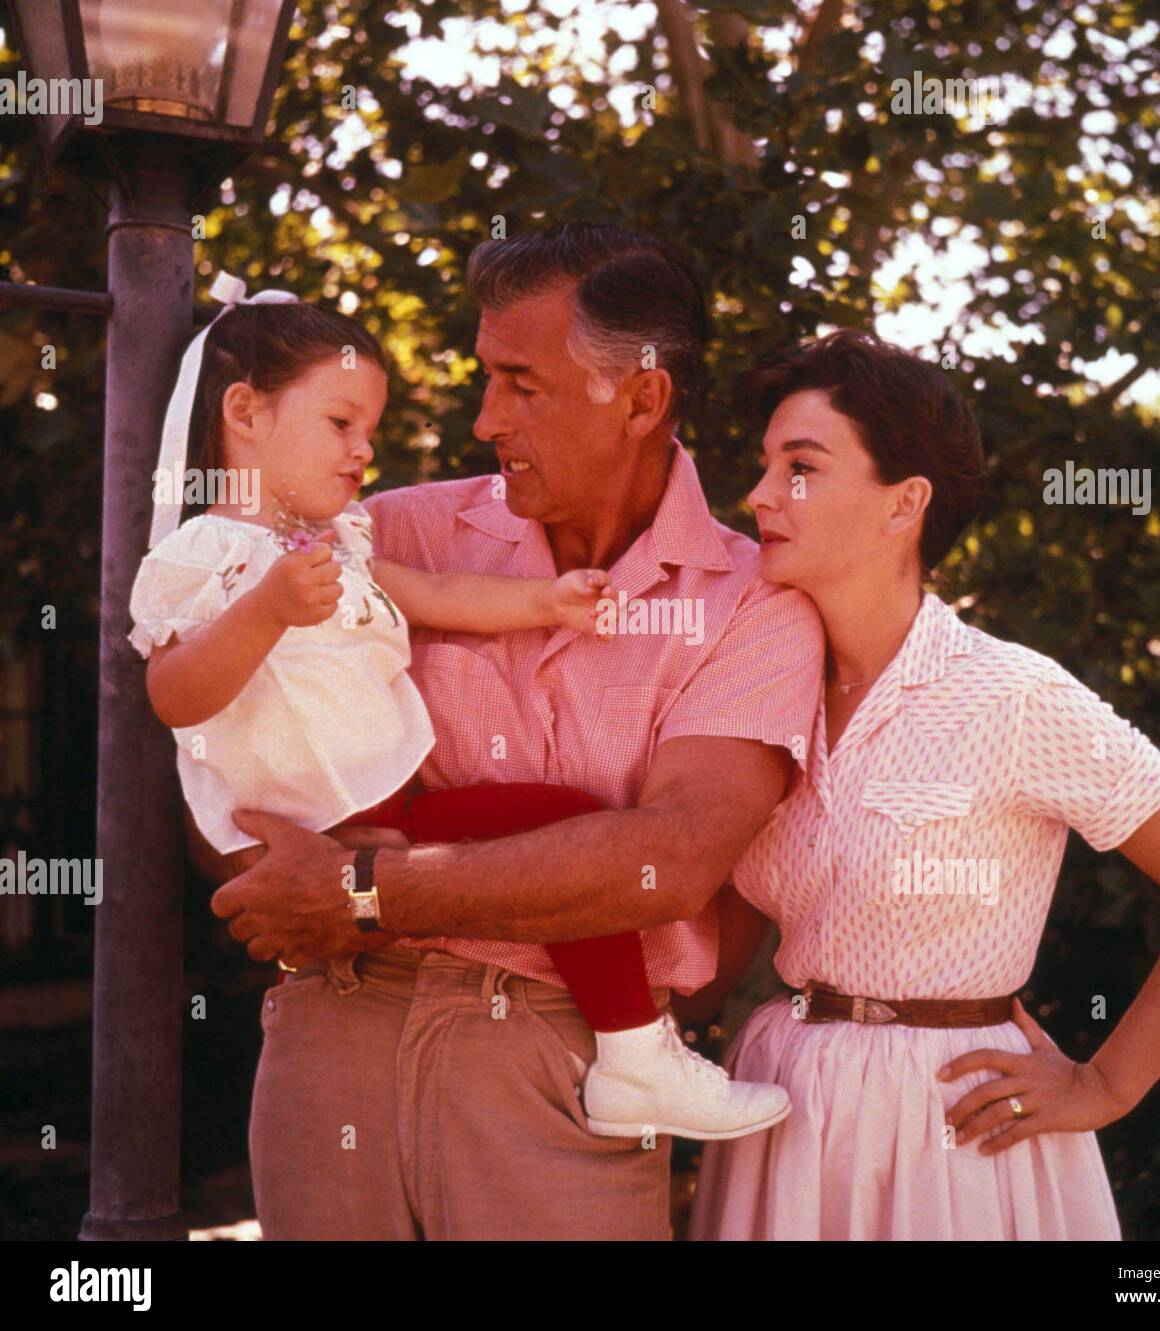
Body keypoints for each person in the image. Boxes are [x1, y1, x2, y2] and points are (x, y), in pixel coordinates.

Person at [197, 224, 827, 1240]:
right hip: (330, 1034)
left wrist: (360, 886)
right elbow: (225, 753)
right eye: (485, 377)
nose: (486, 417)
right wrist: (272, 867)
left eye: (521, 385)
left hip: (568, 1062)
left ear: (642, 398)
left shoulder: (755, 604)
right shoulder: (386, 536)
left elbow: (665, 861)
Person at [686, 329, 1160, 1240]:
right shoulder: (759, 690)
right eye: (765, 465)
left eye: (800, 466)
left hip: (955, 1130)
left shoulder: (1011, 694)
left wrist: (1105, 1082)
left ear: (904, 505)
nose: (760, 495)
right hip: (784, 1107)